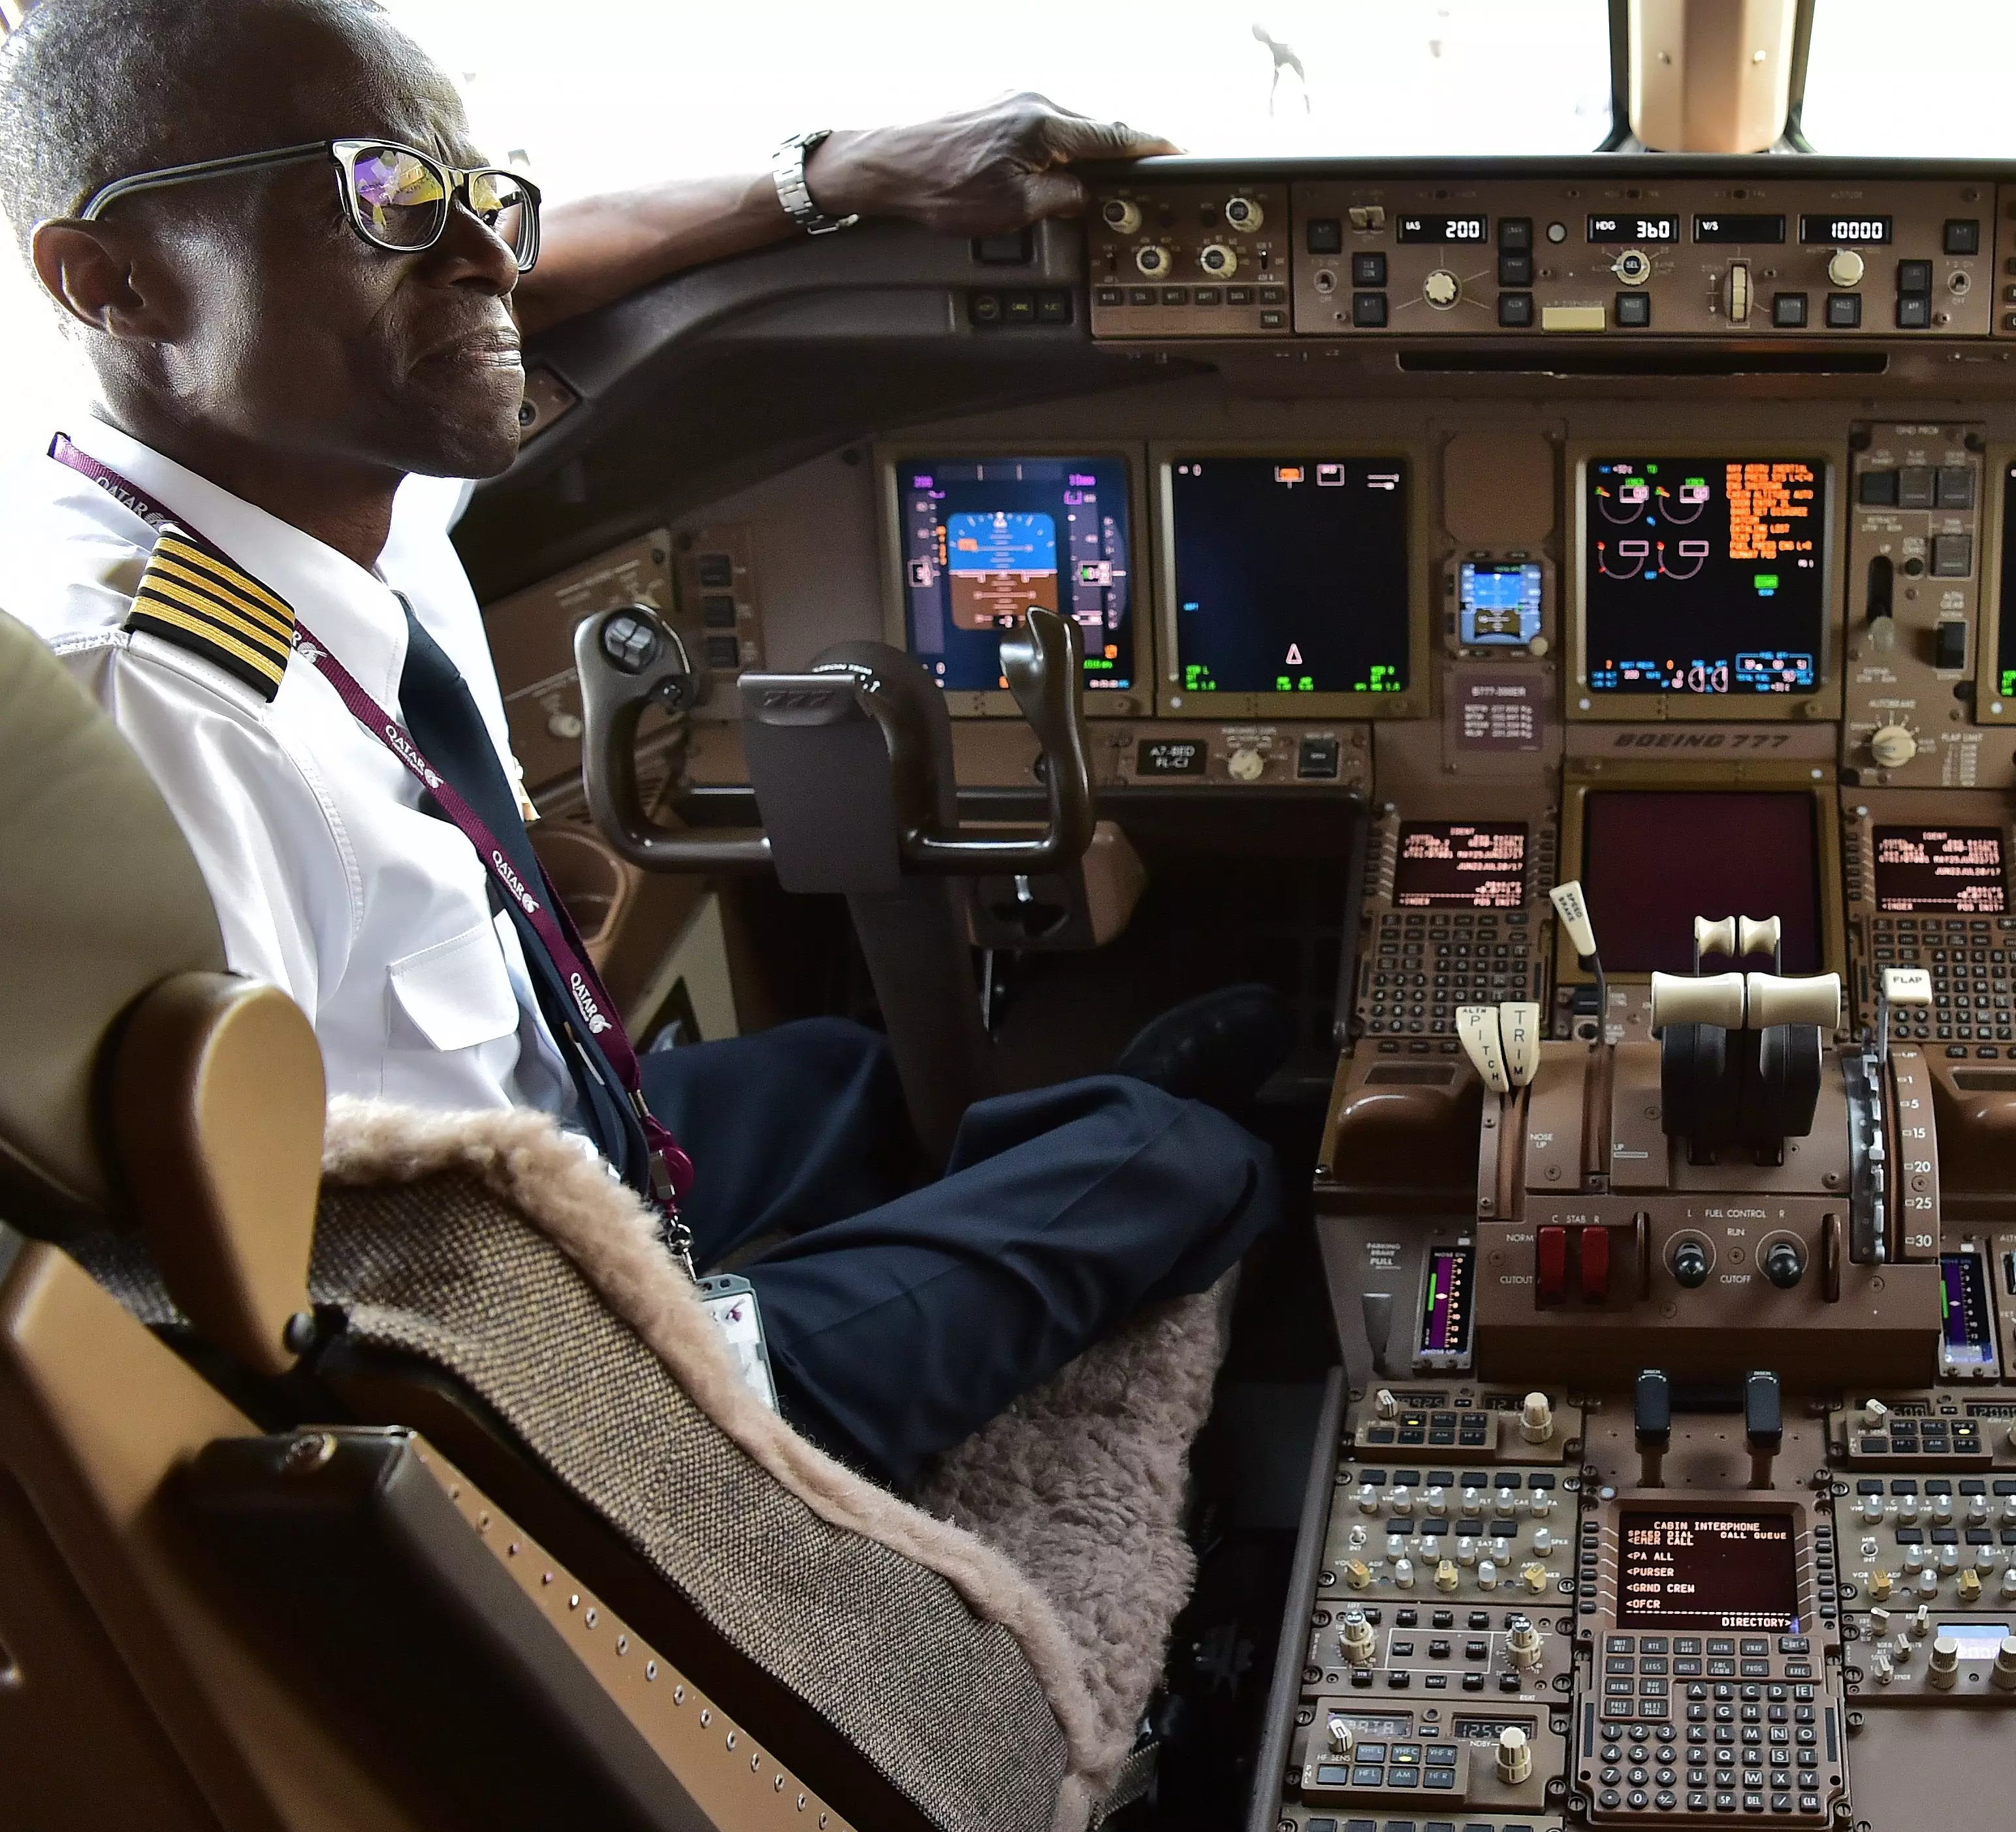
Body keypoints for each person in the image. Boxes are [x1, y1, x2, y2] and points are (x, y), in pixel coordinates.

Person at [0, 0, 1286, 1491]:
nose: (487, 258)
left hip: (561, 1175)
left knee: (848, 1077)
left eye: (482, 200)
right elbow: (243, 1317)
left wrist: (835, 177)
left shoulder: (317, 491)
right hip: (550, 1385)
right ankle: (1147, 1119)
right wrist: (671, 1371)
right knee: (1166, 1160)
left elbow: (508, 290)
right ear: (112, 279)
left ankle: (1056, 1136)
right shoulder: (159, 713)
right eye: (386, 197)